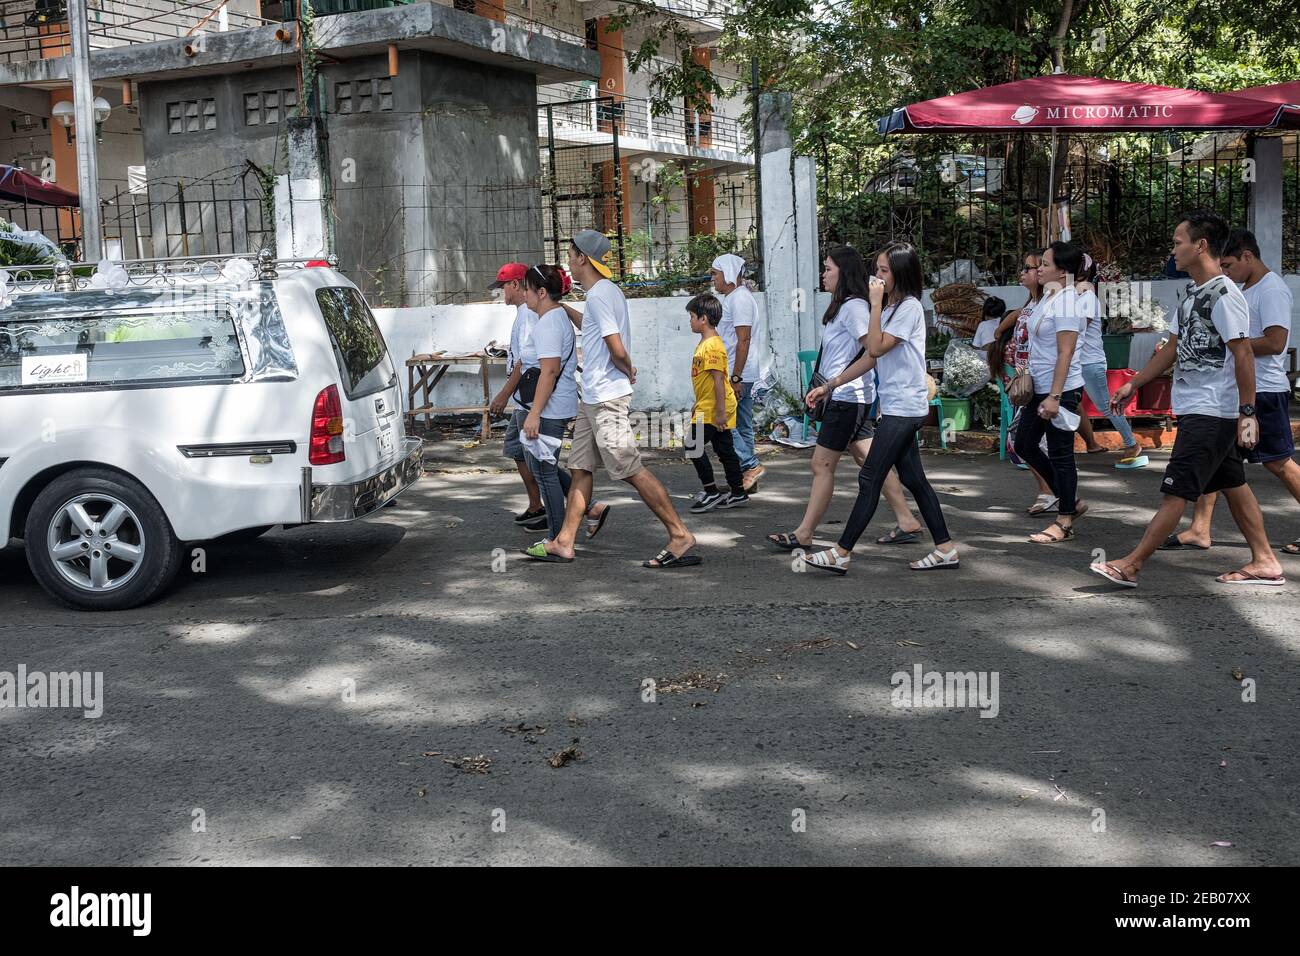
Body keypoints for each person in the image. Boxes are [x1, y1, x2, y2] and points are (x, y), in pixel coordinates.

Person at [1091, 211, 1284, 589]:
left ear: (1202, 245)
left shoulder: (1226, 295)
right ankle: (1264, 560)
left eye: (1179, 242)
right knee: (1233, 483)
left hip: (1213, 410)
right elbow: (1173, 349)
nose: (1173, 249)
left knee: (1177, 491)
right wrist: (1135, 383)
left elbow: (1243, 353)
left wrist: (1247, 413)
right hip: (1199, 406)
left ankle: (1131, 565)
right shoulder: (1195, 293)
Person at [532, 229, 699, 569]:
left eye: (571, 253)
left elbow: (614, 344)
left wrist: (627, 367)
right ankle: (564, 541)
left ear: (582, 258)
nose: (568, 259)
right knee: (579, 469)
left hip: (606, 396)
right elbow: (595, 327)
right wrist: (565, 310)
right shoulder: (600, 294)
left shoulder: (600, 295)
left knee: (628, 468)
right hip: (593, 396)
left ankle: (679, 534)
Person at [800, 242, 958, 574]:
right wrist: (831, 384)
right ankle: (945, 548)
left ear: (900, 273)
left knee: (870, 478)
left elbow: (874, 345)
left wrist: (874, 304)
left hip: (905, 408)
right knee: (915, 481)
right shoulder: (890, 309)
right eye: (877, 269)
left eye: (884, 271)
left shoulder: (909, 308)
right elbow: (869, 358)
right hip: (896, 406)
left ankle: (841, 552)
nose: (877, 276)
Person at [766, 245, 920, 552]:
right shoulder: (846, 306)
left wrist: (833, 385)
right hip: (850, 396)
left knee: (821, 464)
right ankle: (907, 520)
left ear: (843, 272)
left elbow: (872, 349)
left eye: (828, 269)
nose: (823, 275)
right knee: (868, 460)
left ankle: (805, 533)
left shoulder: (854, 308)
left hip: (848, 398)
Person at [1159, 227, 1299, 556]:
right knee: (1217, 461)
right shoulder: (1237, 288)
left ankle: (1250, 552)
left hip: (1262, 389)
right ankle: (1199, 528)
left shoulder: (1271, 289)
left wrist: (1224, 342)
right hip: (1231, 390)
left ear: (1248, 256)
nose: (1225, 272)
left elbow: (1276, 342)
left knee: (1279, 463)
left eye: (1230, 265)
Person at [512, 265, 610, 557]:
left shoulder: (550, 323)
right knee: (545, 469)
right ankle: (577, 521)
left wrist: (535, 413)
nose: (525, 295)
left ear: (541, 292)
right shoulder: (552, 318)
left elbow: (550, 371)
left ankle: (557, 540)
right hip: (551, 406)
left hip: (550, 409)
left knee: (544, 473)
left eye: (528, 289)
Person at [1014, 240, 1089, 544]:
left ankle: (1065, 521)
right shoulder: (1048, 297)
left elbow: (1066, 352)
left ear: (1063, 271)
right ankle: (1069, 499)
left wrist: (1055, 397)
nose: (1039, 269)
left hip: (1062, 390)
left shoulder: (1069, 301)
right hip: (1040, 387)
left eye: (1045, 264)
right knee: (1024, 444)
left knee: (1060, 454)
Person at [994, 250, 1059, 514]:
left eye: (1031, 268)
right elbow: (1015, 319)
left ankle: (1053, 493)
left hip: (1043, 382)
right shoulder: (1031, 305)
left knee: (1031, 441)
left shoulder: (1050, 305)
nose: (1026, 272)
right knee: (1023, 440)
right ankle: (1051, 491)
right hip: (1027, 380)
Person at [1073, 253, 1147, 468]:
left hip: (1089, 362)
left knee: (1105, 407)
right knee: (1066, 404)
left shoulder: (1086, 297)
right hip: (1079, 362)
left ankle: (1131, 443)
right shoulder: (1076, 294)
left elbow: (1077, 328)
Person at [486, 262, 546, 530]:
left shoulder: (528, 316)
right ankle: (536, 505)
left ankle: (581, 507)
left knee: (536, 456)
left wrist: (503, 394)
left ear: (516, 285)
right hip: (524, 398)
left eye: (503, 287)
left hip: (527, 398)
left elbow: (525, 362)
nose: (502, 293)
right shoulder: (524, 314)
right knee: (517, 450)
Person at [683, 294, 747, 512]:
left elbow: (719, 380)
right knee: (724, 448)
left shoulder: (712, 346)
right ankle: (738, 492)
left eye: (692, 316)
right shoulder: (706, 343)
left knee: (692, 445)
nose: (689, 320)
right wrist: (697, 402)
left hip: (714, 407)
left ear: (703, 318)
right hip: (709, 404)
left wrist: (720, 413)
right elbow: (706, 380)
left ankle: (711, 492)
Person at [710, 254, 765, 492]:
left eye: (715, 273)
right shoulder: (734, 298)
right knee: (742, 425)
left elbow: (744, 339)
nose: (712, 278)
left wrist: (735, 377)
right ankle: (748, 479)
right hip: (738, 371)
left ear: (729, 273)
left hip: (737, 372)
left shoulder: (739, 299)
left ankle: (750, 464)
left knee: (720, 420)